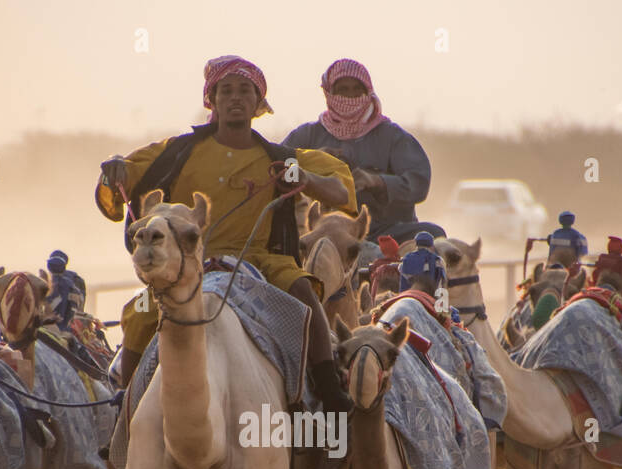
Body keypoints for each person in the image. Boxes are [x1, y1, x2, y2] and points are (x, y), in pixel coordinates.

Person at [96, 55, 356, 412]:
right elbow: (122, 175)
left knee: (304, 298)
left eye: (245, 91)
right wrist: (113, 170)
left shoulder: (282, 156)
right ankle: (127, 411)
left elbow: (341, 191)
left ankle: (329, 394)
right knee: (140, 311)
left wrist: (305, 179)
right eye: (226, 90)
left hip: (262, 261)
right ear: (212, 99)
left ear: (258, 102)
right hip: (190, 261)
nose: (235, 97)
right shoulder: (177, 152)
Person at [283, 59, 443, 244]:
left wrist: (377, 182)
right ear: (329, 93)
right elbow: (280, 168)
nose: (350, 96)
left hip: (385, 233)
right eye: (342, 89)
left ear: (368, 92)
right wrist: (312, 160)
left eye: (357, 89)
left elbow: (419, 183)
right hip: (321, 231)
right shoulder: (308, 135)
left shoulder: (392, 136)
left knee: (433, 235)